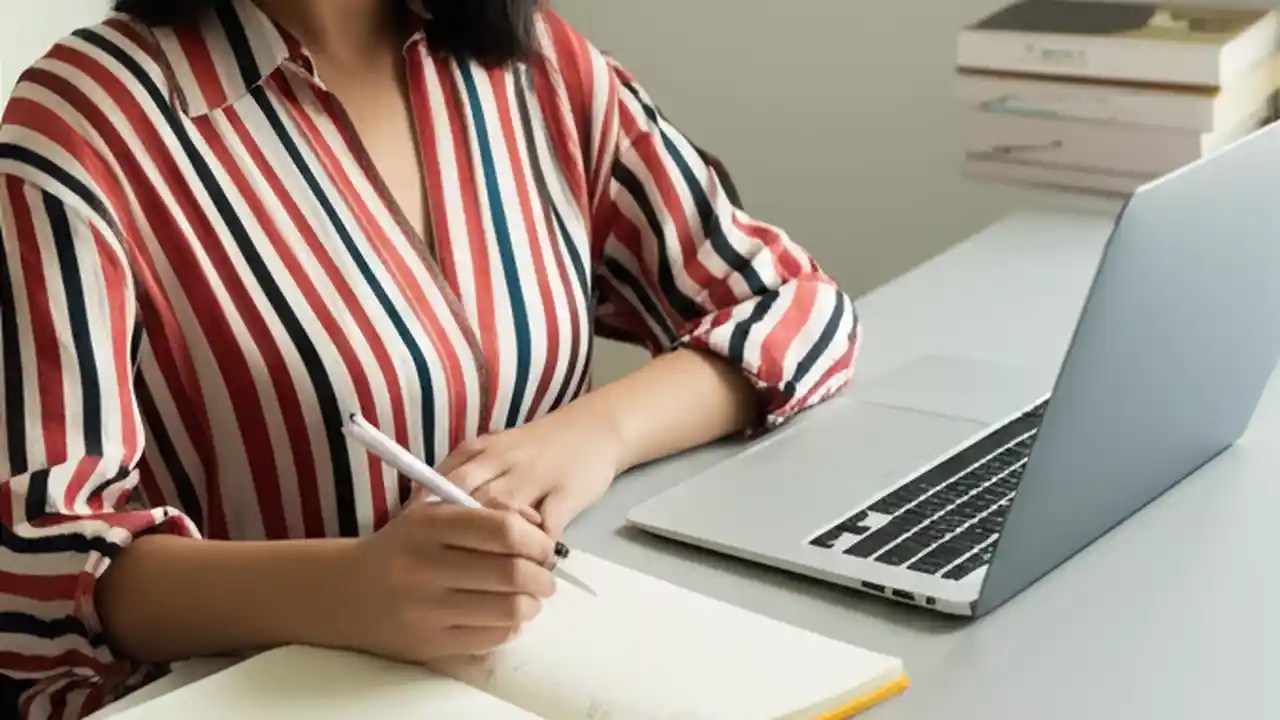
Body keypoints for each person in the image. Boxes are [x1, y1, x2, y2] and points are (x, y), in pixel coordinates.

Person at [0, 0, 859, 717]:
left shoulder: (533, 63)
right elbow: (36, 560)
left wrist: (592, 435)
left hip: (570, 663)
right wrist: (344, 593)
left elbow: (795, 306)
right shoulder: (83, 122)